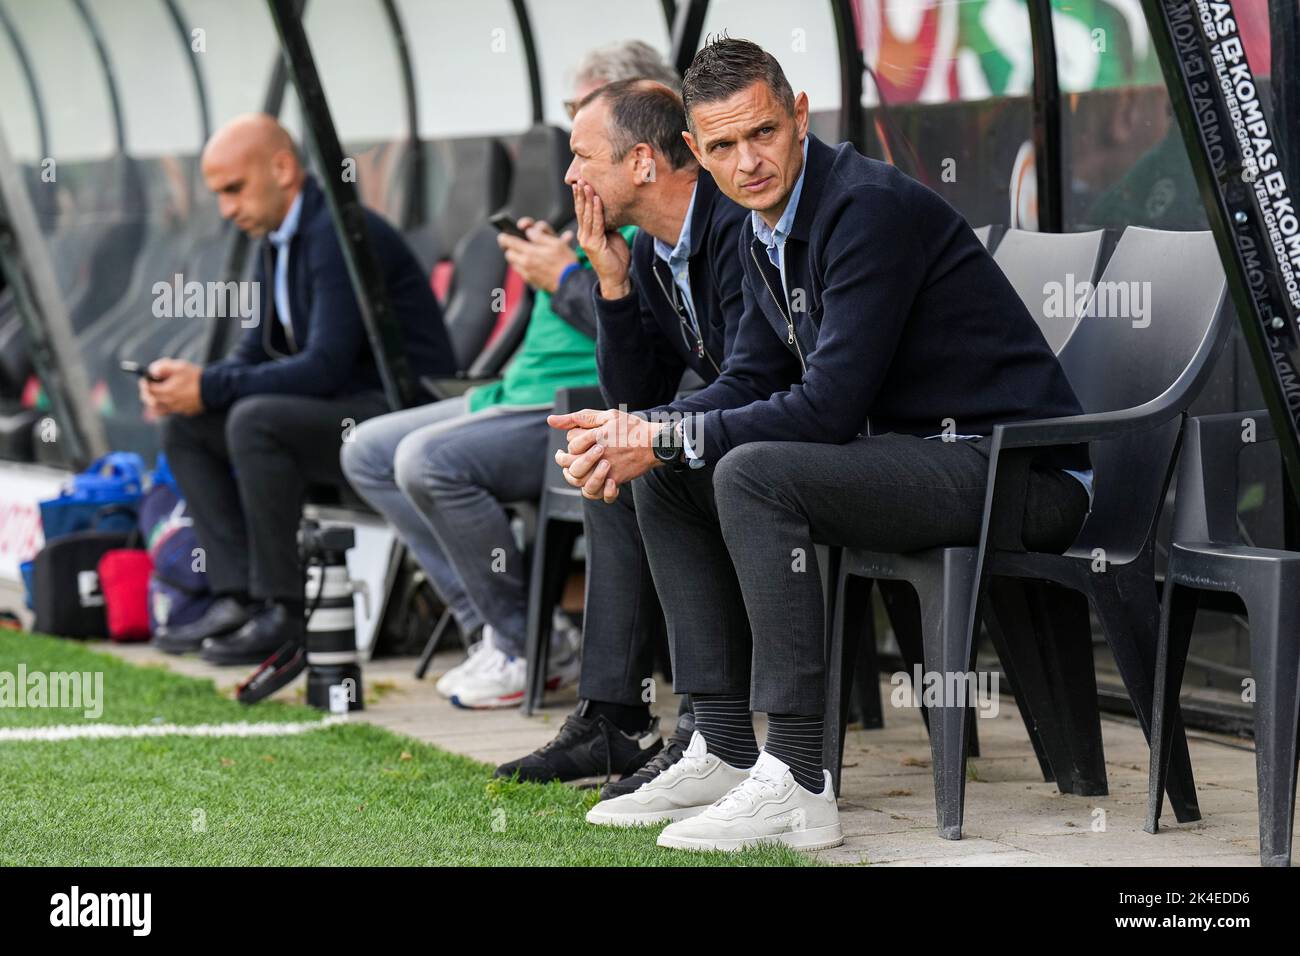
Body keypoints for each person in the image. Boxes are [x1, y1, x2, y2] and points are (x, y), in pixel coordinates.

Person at [553, 37, 1093, 851]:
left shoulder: (863, 208)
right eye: (725, 146)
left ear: (800, 116)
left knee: (754, 474)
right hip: (914, 461)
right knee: (668, 477)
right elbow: (747, 381)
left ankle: (801, 777)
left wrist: (672, 435)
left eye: (763, 132)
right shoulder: (758, 229)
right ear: (696, 152)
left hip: (1018, 469)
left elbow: (827, 406)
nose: (749, 162)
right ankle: (722, 746)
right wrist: (650, 433)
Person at [339, 43, 674, 710]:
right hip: (512, 394)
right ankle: (501, 630)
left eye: (583, 126)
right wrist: (550, 270)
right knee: (367, 450)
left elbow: (652, 336)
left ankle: (528, 648)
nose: (571, 152)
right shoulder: (587, 212)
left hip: (576, 405)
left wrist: (568, 278)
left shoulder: (658, 215)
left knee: (426, 460)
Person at [494, 79, 753, 793]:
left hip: (791, 433)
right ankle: (612, 718)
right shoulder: (647, 250)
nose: (570, 177)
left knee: (646, 454)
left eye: (583, 156)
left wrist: (652, 430)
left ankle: (710, 728)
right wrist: (610, 282)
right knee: (611, 463)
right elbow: (634, 393)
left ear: (643, 162)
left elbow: (764, 381)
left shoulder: (738, 224)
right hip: (738, 426)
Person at [145, 114, 454, 665]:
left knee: (255, 420)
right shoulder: (278, 236)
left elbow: (324, 367)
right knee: (188, 426)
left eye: (234, 189)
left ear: (282, 169)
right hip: (342, 407)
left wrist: (212, 385)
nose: (226, 208)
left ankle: (284, 610)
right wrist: (188, 387)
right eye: (217, 194)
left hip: (398, 413)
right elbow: (258, 347)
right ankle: (236, 596)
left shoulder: (337, 232)